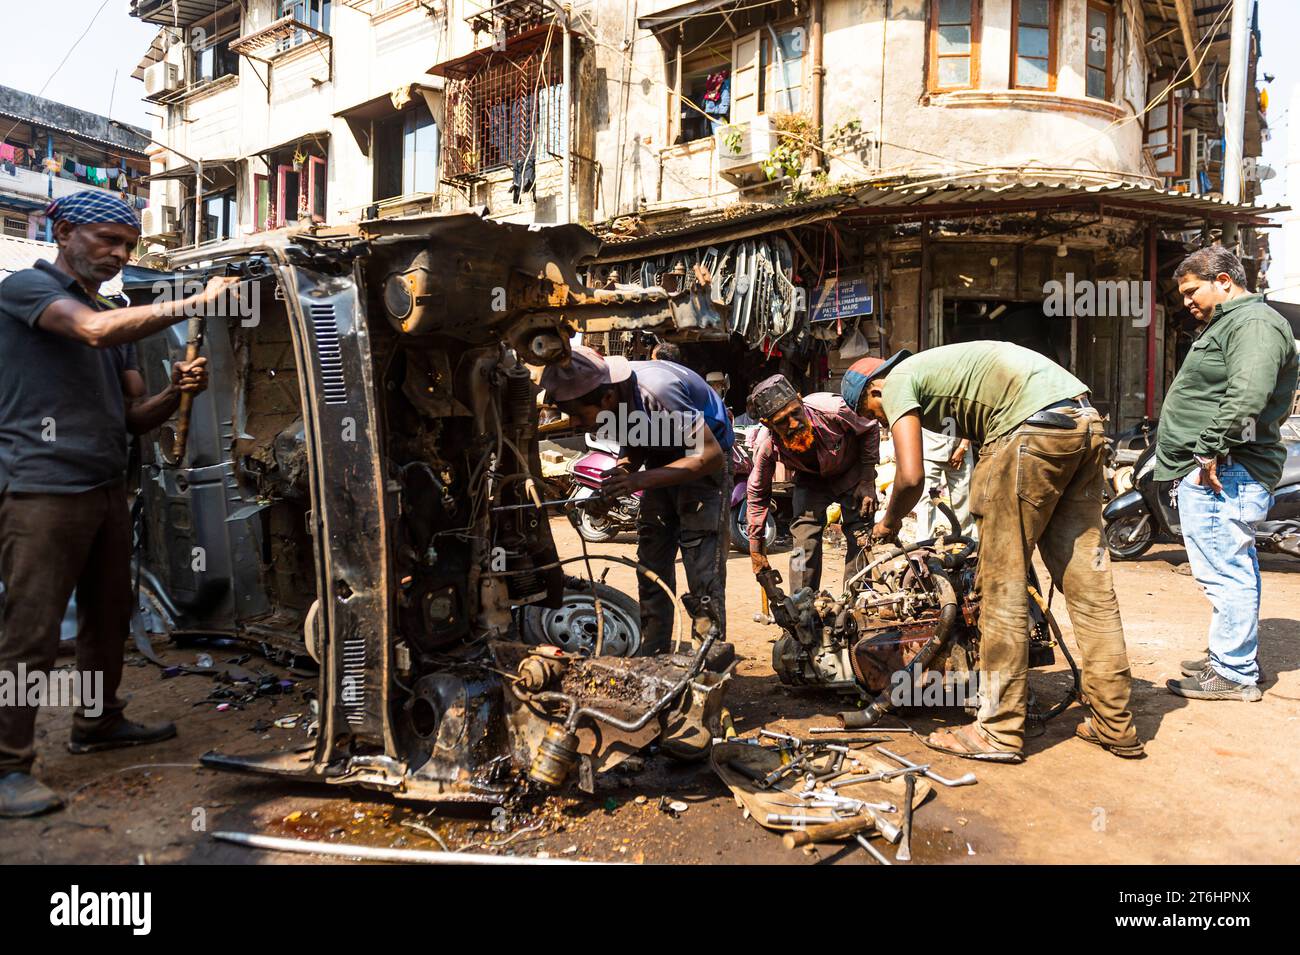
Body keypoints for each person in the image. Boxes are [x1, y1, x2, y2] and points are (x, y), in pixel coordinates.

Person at [0, 191, 239, 817]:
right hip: (41, 486)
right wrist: (191, 302)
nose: (119, 254)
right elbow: (91, 332)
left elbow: (136, 417)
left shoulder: (114, 310)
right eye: (107, 239)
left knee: (111, 614)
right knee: (31, 631)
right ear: (65, 233)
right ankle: (6, 764)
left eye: (128, 245)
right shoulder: (27, 289)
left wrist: (173, 393)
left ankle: (98, 721)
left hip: (105, 487)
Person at [842, 343, 1142, 762]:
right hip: (1083, 423)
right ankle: (1114, 722)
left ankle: (999, 730)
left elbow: (911, 477)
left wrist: (887, 524)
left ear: (875, 389)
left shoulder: (898, 381)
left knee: (1001, 587)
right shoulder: (943, 369)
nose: (882, 419)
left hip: (1030, 430)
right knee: (1089, 588)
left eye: (875, 414)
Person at [1157, 247, 1299, 702]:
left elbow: (1247, 398)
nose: (1186, 302)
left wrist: (1210, 451)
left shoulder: (1253, 324)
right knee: (1229, 567)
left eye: (1191, 290)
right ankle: (1229, 655)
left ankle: (1234, 671)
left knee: (1226, 571)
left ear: (1223, 280)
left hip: (1228, 470)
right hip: (1225, 468)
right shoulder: (1234, 323)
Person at [541, 345, 734, 654]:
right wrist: (618, 479)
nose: (575, 424)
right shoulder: (610, 398)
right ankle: (653, 652)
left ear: (605, 398)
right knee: (652, 563)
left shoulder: (657, 389)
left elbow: (709, 457)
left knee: (702, 569)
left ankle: (706, 657)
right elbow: (637, 445)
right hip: (663, 462)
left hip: (703, 467)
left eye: (578, 415)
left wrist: (638, 480)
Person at [745, 375, 879, 593]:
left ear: (800, 400)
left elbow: (870, 427)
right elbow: (757, 495)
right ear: (767, 424)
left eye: (795, 413)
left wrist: (867, 480)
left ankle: (858, 601)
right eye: (782, 422)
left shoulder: (834, 410)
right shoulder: (767, 445)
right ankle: (801, 603)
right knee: (802, 543)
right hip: (810, 479)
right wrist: (757, 551)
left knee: (860, 536)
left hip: (852, 472)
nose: (794, 424)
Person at [912, 430, 976, 543]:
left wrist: (963, 446)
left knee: (963, 503)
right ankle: (925, 548)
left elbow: (972, 416)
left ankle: (963, 546)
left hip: (960, 449)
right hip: (929, 450)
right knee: (925, 504)